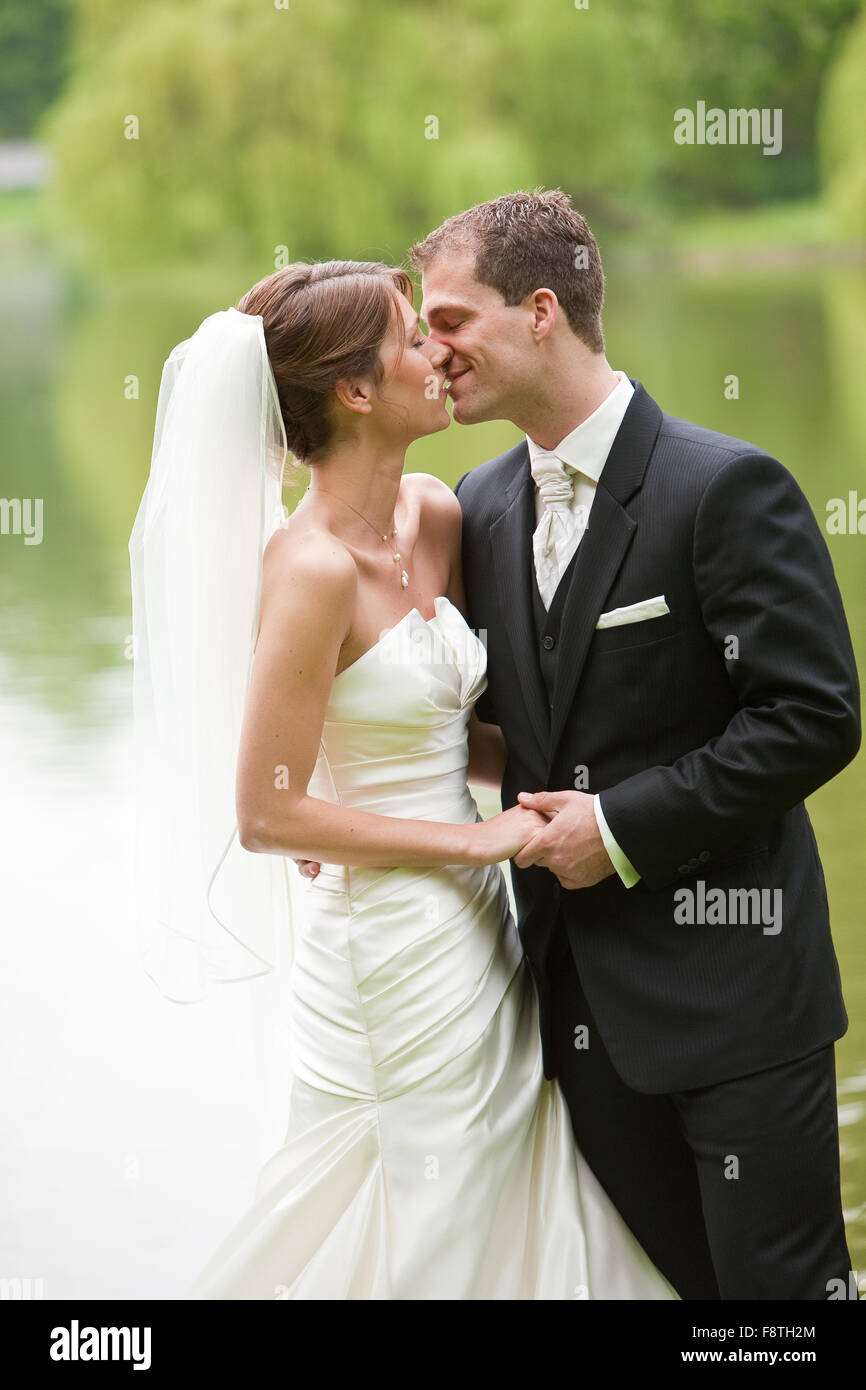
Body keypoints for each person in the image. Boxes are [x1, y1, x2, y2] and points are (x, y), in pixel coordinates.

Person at [131, 258, 677, 1298]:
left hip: (484, 927)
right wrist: (474, 838)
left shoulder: (435, 513)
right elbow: (264, 810)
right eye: (408, 338)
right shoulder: (308, 571)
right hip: (389, 950)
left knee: (520, 1186)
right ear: (352, 391)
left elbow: (471, 725)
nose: (438, 352)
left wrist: (632, 786)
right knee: (426, 1209)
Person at [400, 188, 859, 1300]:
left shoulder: (723, 488)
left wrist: (618, 826)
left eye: (451, 319)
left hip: (735, 1001)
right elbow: (493, 725)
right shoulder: (483, 501)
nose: (430, 349)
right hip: (567, 1014)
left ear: (541, 311)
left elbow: (813, 715)